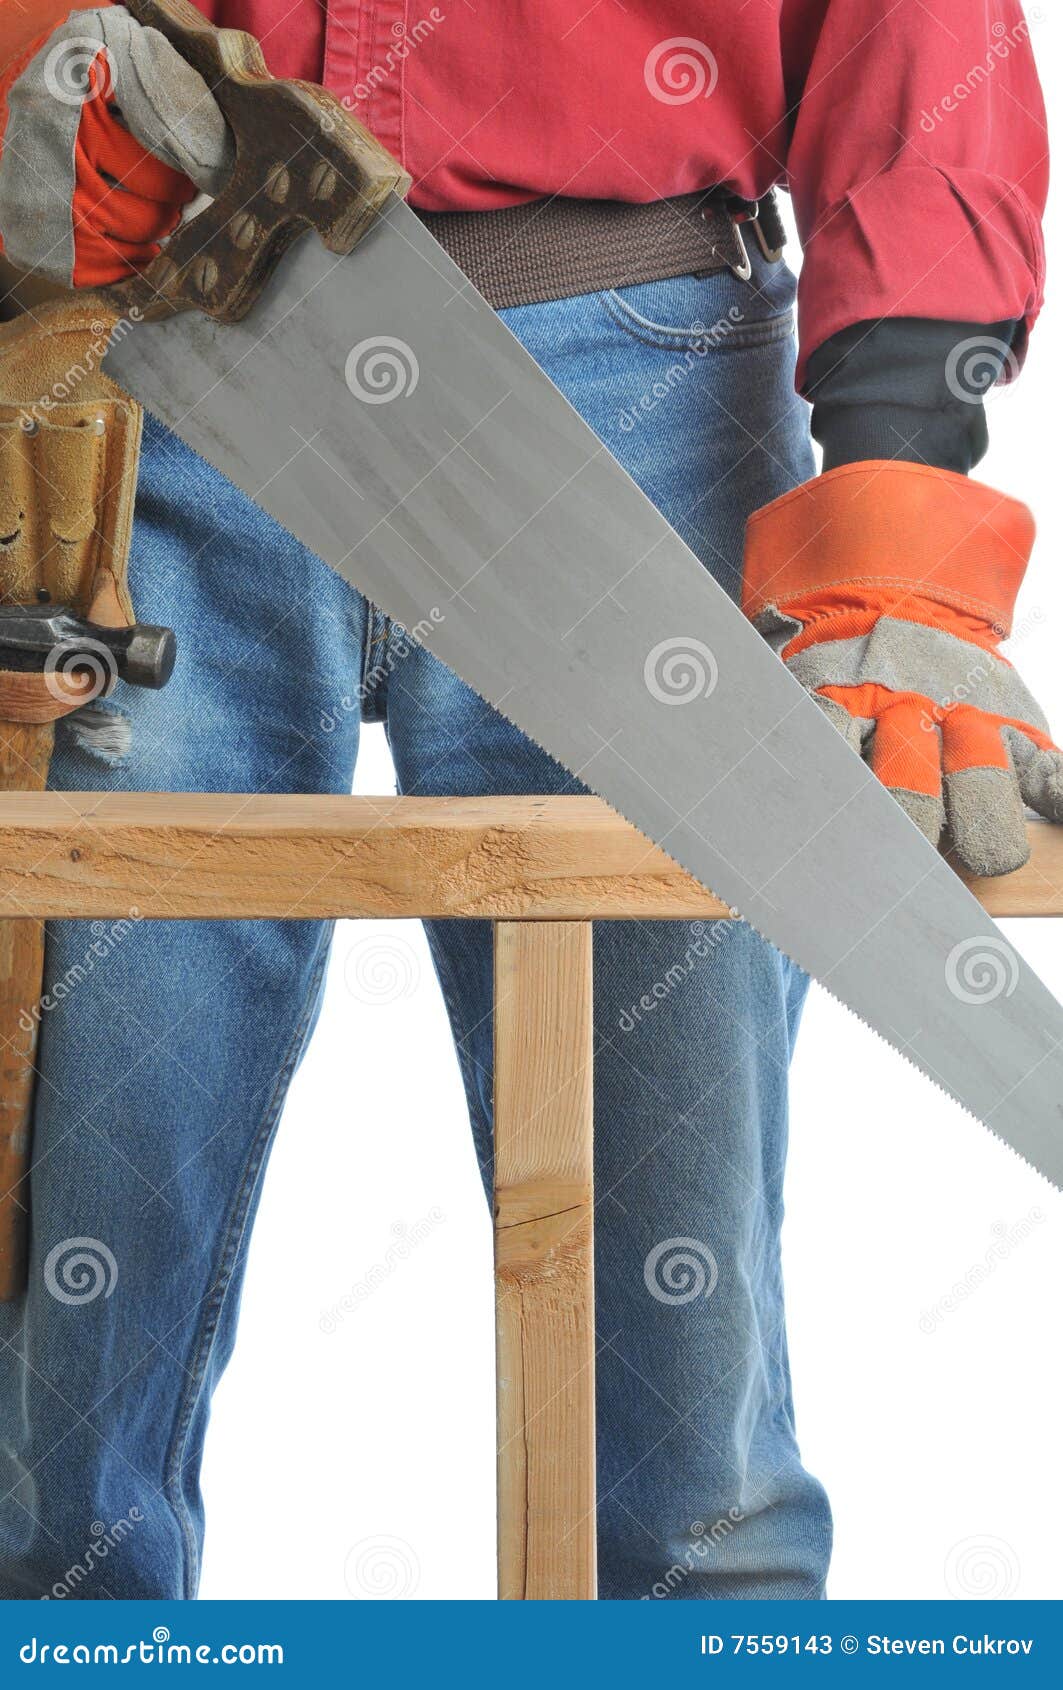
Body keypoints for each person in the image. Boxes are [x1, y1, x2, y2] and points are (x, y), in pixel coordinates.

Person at [0, 0, 1054, 1600]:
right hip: (153, 368)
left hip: (645, 394)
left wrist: (902, 470)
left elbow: (915, 34)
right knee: (61, 1408)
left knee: (688, 1436)